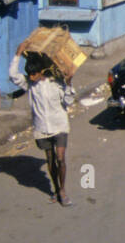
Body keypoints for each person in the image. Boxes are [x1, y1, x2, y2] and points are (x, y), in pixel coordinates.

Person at [10, 43, 76, 206]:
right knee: (50, 159)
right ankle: (54, 188)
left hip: (59, 126)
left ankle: (62, 190)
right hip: (41, 128)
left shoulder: (56, 83)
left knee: (60, 158)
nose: (31, 77)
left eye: (34, 74)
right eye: (29, 74)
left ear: (41, 72)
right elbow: (12, 75)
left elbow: (68, 101)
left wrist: (68, 84)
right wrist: (18, 53)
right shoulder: (29, 85)